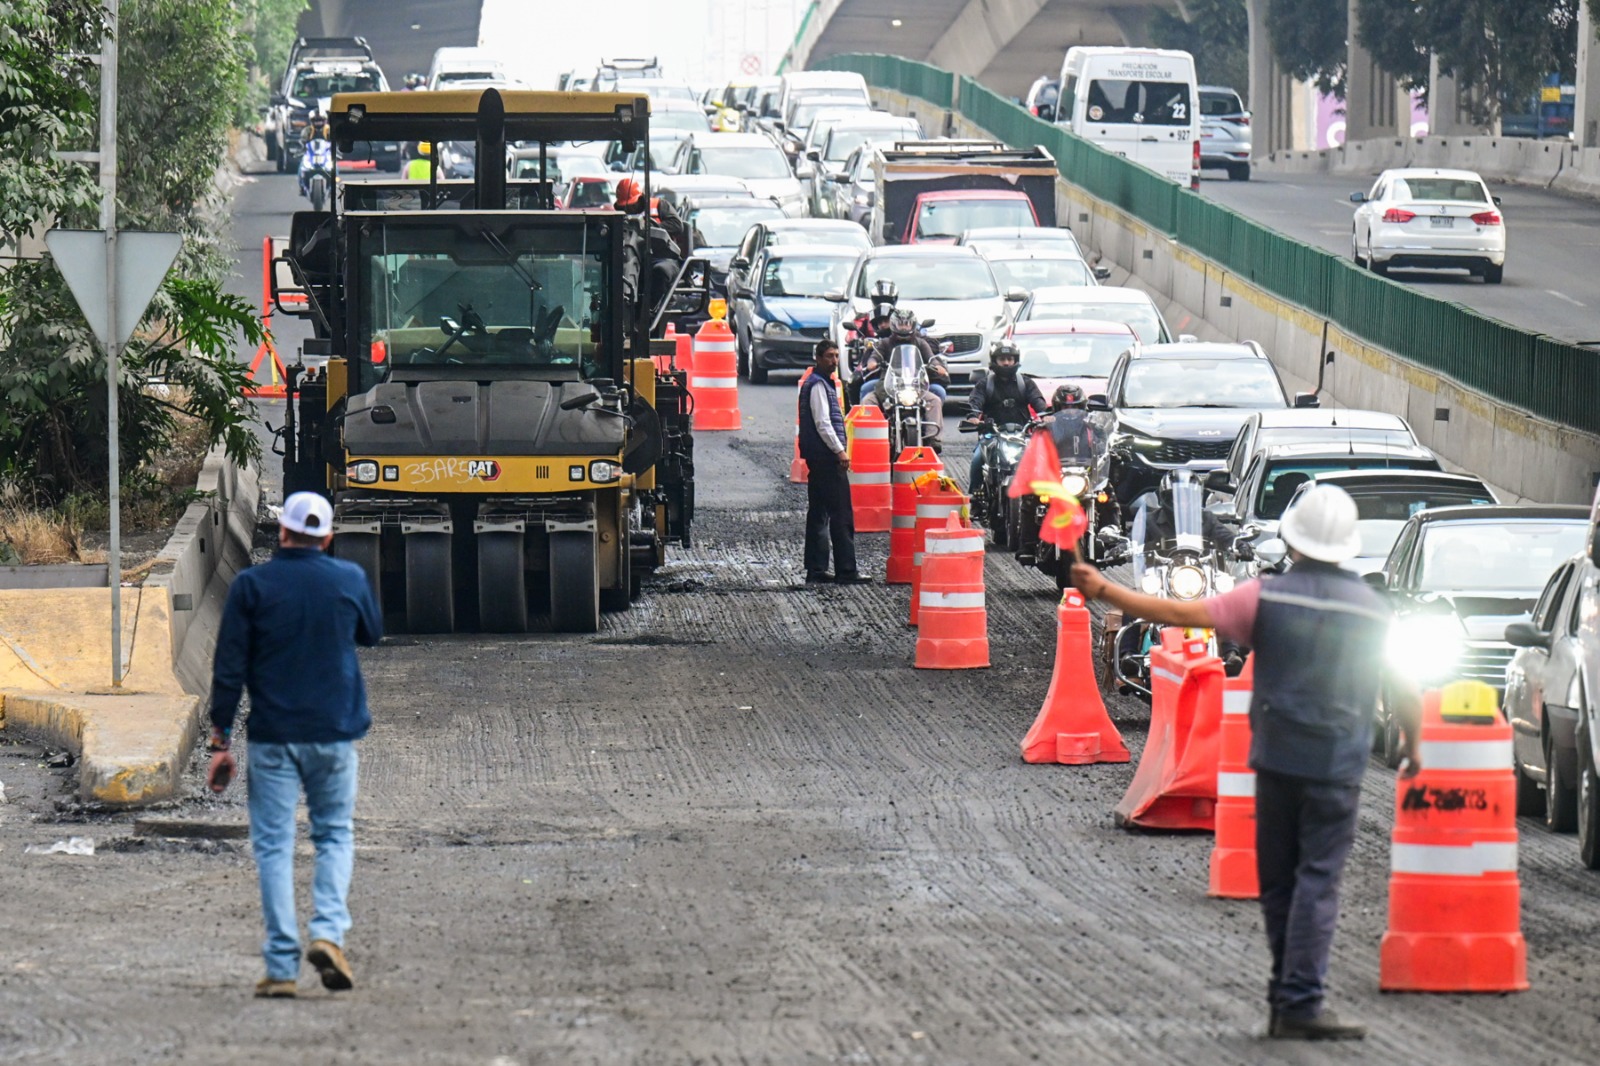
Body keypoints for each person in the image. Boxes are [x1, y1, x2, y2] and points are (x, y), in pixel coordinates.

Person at [1070, 484, 1423, 1042]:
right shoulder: (1371, 609)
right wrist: (1415, 747)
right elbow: (1405, 686)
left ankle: (1290, 996)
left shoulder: (1267, 597)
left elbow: (1175, 610)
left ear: (1293, 538)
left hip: (1276, 758)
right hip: (1336, 766)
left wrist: (1104, 588)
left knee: (1279, 880)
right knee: (1318, 879)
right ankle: (1299, 999)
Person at [206, 491, 383, 999]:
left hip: (273, 738)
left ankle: (281, 965)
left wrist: (221, 741)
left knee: (274, 846)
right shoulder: (347, 578)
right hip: (334, 734)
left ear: (281, 531)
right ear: (327, 538)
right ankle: (328, 934)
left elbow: (229, 667)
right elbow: (372, 633)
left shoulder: (251, 585)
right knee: (333, 836)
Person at [797, 339, 868, 585]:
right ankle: (846, 571)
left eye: (836, 355)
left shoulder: (821, 383)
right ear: (817, 358)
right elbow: (823, 423)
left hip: (817, 458)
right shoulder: (818, 385)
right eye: (829, 356)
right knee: (841, 514)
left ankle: (816, 570)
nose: (834, 361)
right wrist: (840, 451)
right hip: (826, 458)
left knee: (818, 513)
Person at [963, 341, 1047, 515]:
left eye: (1009, 358)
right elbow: (975, 402)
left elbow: (1039, 402)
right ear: (995, 361)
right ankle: (976, 499)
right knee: (978, 459)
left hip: (1021, 435)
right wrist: (973, 417)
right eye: (1002, 359)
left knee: (1041, 460)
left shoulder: (1026, 383)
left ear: (1016, 360)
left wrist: (1046, 416)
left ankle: (1042, 499)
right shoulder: (984, 384)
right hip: (992, 435)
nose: (1007, 363)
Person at [1048, 383, 1097, 461]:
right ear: (1058, 408)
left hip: (1087, 470)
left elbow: (1102, 451)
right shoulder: (1049, 427)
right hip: (1055, 469)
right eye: (1065, 407)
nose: (1070, 411)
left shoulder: (1091, 426)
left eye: (1074, 407)